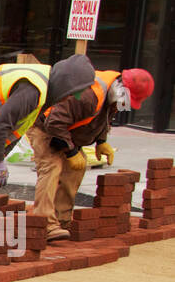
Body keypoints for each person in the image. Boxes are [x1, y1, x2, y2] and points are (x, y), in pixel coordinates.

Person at [0, 56, 95, 224]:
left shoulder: (44, 87)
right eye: (72, 93)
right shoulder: (33, 90)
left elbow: (10, 128)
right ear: (66, 85)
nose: (70, 99)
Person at [27, 68, 154, 241]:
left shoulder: (113, 93)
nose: (125, 104)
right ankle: (44, 222)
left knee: (77, 168)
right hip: (43, 126)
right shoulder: (88, 94)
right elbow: (54, 123)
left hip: (65, 130)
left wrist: (101, 141)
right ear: (120, 89)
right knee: (52, 166)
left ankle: (62, 220)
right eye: (127, 99)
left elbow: (105, 117)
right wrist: (71, 152)